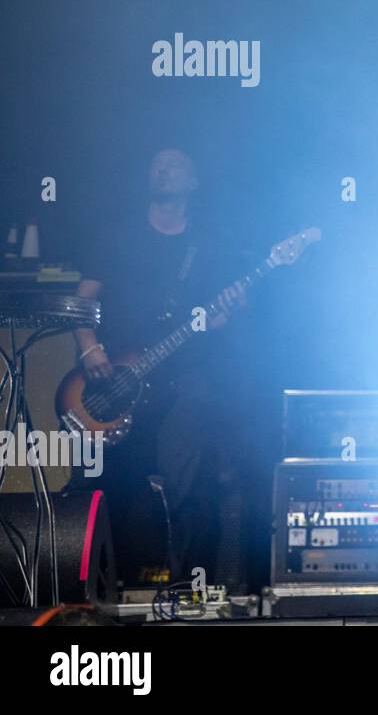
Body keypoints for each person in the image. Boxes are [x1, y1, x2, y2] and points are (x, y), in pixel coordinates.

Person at [72, 148, 245, 585]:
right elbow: (82, 301)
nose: (162, 167)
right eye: (156, 162)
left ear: (193, 182)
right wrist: (89, 347)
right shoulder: (119, 235)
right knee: (111, 488)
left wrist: (227, 312)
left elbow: (215, 321)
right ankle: (105, 585)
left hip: (180, 379)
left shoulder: (204, 246)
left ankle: (182, 586)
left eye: (174, 163)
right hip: (114, 380)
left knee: (185, 485)